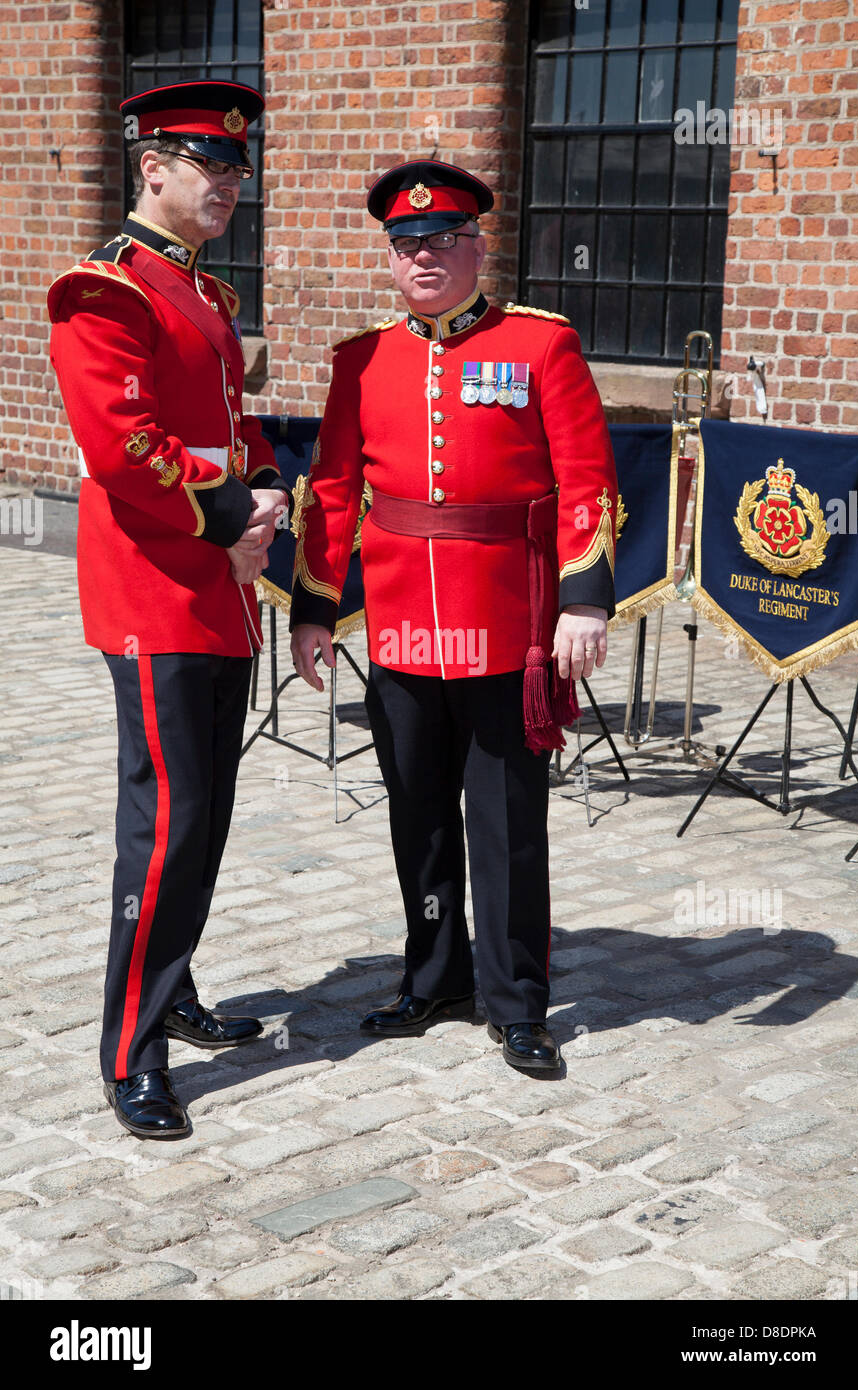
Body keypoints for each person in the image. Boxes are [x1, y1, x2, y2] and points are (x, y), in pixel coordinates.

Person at [290, 159, 616, 1072]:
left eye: (442, 240)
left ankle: (518, 1000)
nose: (425, 257)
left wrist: (584, 598)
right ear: (391, 258)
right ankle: (434, 974)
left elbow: (588, 481)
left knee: (507, 819)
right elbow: (333, 488)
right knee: (418, 812)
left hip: (511, 625)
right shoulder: (363, 360)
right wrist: (317, 608)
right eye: (407, 244)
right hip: (400, 623)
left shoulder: (541, 345)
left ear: (478, 246)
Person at [48, 81, 291, 1138]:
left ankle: (174, 984)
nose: (229, 184)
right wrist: (235, 510)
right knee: (163, 826)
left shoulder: (209, 295)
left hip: (219, 588)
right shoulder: (106, 293)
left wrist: (270, 481)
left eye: (238, 169)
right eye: (210, 166)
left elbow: (229, 422)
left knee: (206, 817)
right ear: (153, 168)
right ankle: (129, 1052)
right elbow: (123, 448)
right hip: (157, 586)